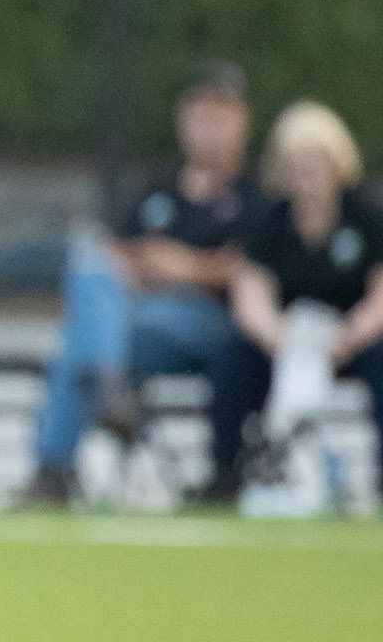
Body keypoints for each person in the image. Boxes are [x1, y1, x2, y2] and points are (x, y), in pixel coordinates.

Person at [24, 60, 259, 506]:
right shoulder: (157, 187)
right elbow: (114, 252)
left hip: (210, 322)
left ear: (241, 122)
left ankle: (63, 457)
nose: (207, 124)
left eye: (219, 113)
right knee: (87, 288)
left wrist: (180, 265)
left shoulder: (253, 193)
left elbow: (250, 268)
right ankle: (78, 440)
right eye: (199, 111)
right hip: (136, 320)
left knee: (82, 344)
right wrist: (138, 266)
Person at [210, 101, 383, 502]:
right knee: (232, 357)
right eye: (296, 164)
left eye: (315, 162)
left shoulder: (366, 217)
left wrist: (350, 335)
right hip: (287, 341)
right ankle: (225, 472)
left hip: (350, 340)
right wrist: (276, 335)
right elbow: (250, 291)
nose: (307, 174)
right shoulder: (268, 221)